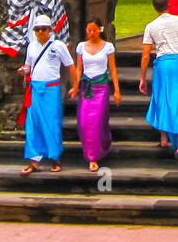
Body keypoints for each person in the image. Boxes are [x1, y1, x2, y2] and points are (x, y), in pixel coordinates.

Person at [140, 0, 178, 159]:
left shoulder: (151, 26)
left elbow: (145, 55)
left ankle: (164, 138)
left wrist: (142, 78)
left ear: (154, 7)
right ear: (168, 5)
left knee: (161, 98)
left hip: (162, 64)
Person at [18, 15, 74, 174]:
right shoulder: (32, 47)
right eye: (37, 29)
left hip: (51, 89)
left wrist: (75, 85)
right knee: (33, 124)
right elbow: (28, 66)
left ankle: (55, 158)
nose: (41, 32)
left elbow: (70, 65)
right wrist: (24, 70)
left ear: (50, 30)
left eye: (44, 29)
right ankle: (34, 160)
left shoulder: (58, 45)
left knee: (52, 124)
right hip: (35, 89)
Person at [69, 21, 120, 171]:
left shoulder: (108, 47)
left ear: (99, 30)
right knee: (84, 121)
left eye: (94, 30)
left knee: (97, 121)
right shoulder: (81, 47)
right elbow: (79, 69)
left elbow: (113, 69)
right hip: (86, 87)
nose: (91, 33)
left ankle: (94, 156)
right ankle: (90, 152)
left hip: (101, 87)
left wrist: (116, 91)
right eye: (89, 30)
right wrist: (75, 86)